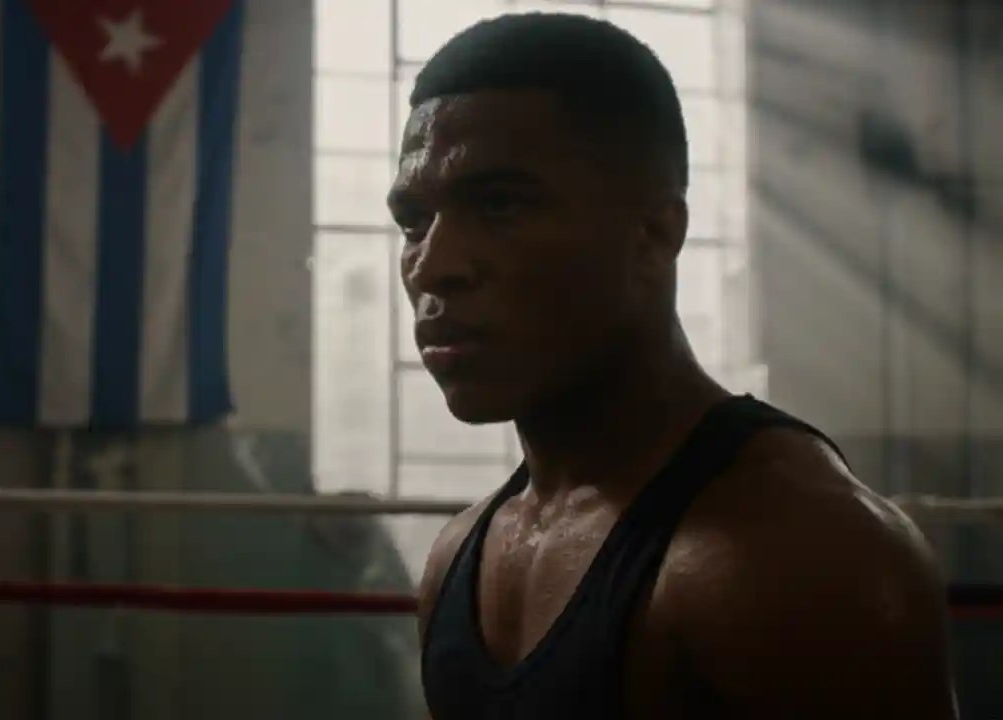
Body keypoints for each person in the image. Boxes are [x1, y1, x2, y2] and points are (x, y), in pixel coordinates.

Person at [392, 13, 960, 719]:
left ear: (655, 233)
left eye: (501, 204)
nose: (435, 266)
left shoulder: (795, 553)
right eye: (414, 222)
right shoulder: (458, 558)